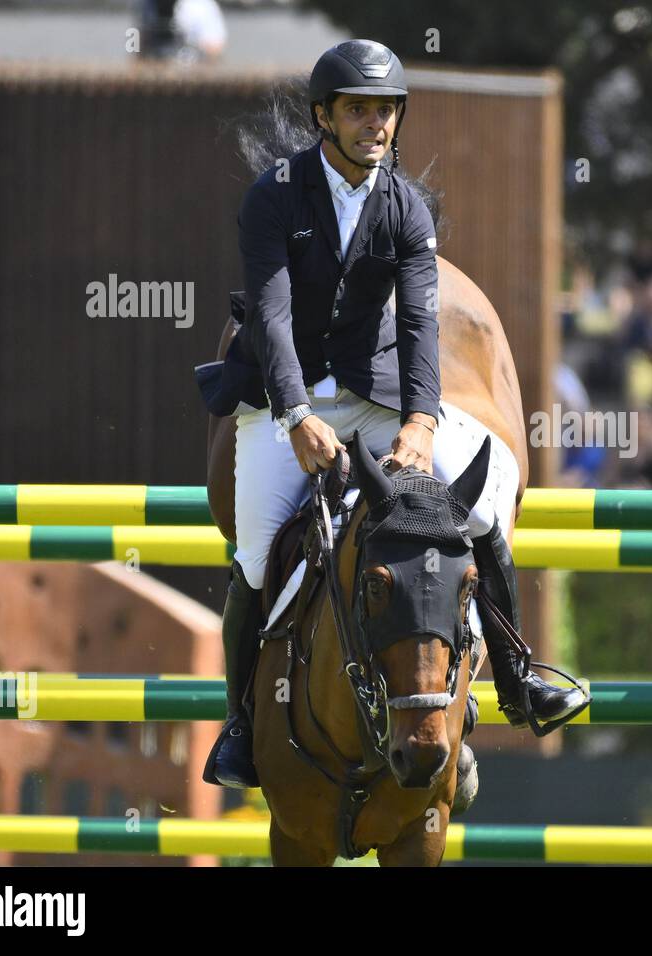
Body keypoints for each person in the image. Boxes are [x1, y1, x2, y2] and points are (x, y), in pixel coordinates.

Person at [197, 39, 584, 789]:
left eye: (384, 110)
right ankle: (243, 723)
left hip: (379, 400)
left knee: (477, 517)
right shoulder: (273, 197)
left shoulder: (404, 205)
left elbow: (418, 322)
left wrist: (420, 423)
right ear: (324, 117)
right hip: (289, 399)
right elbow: (271, 318)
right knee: (252, 558)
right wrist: (297, 414)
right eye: (358, 110)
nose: (374, 123)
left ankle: (517, 676)